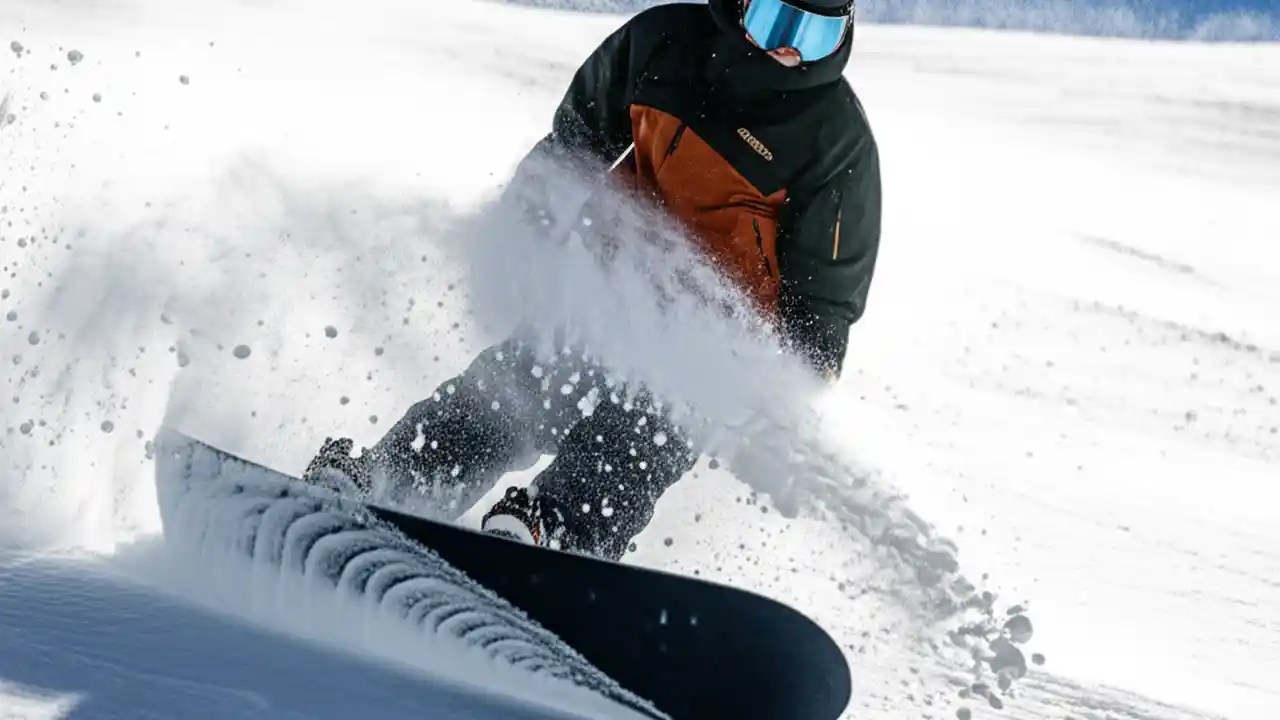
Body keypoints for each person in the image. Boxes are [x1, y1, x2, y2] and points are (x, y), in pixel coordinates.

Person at [303, 0, 881, 560]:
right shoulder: (665, 43)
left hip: (705, 361)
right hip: (609, 297)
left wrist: (771, 391)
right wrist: (524, 230)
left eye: (814, 36)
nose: (788, 49)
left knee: (640, 436)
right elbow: (572, 145)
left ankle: (558, 533)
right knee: (509, 388)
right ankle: (393, 479)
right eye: (776, 20)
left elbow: (824, 307)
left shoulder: (836, 144)